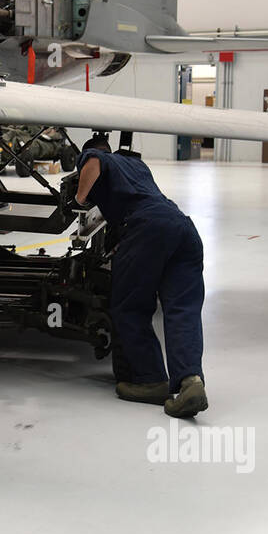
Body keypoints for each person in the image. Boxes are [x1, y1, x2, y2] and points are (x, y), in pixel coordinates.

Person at [73, 135, 208, 418]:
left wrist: (80, 198)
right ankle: (191, 383)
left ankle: (150, 380)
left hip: (147, 227)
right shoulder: (137, 166)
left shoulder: (98, 156)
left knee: (129, 307)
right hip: (182, 227)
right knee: (182, 310)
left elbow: (94, 161)